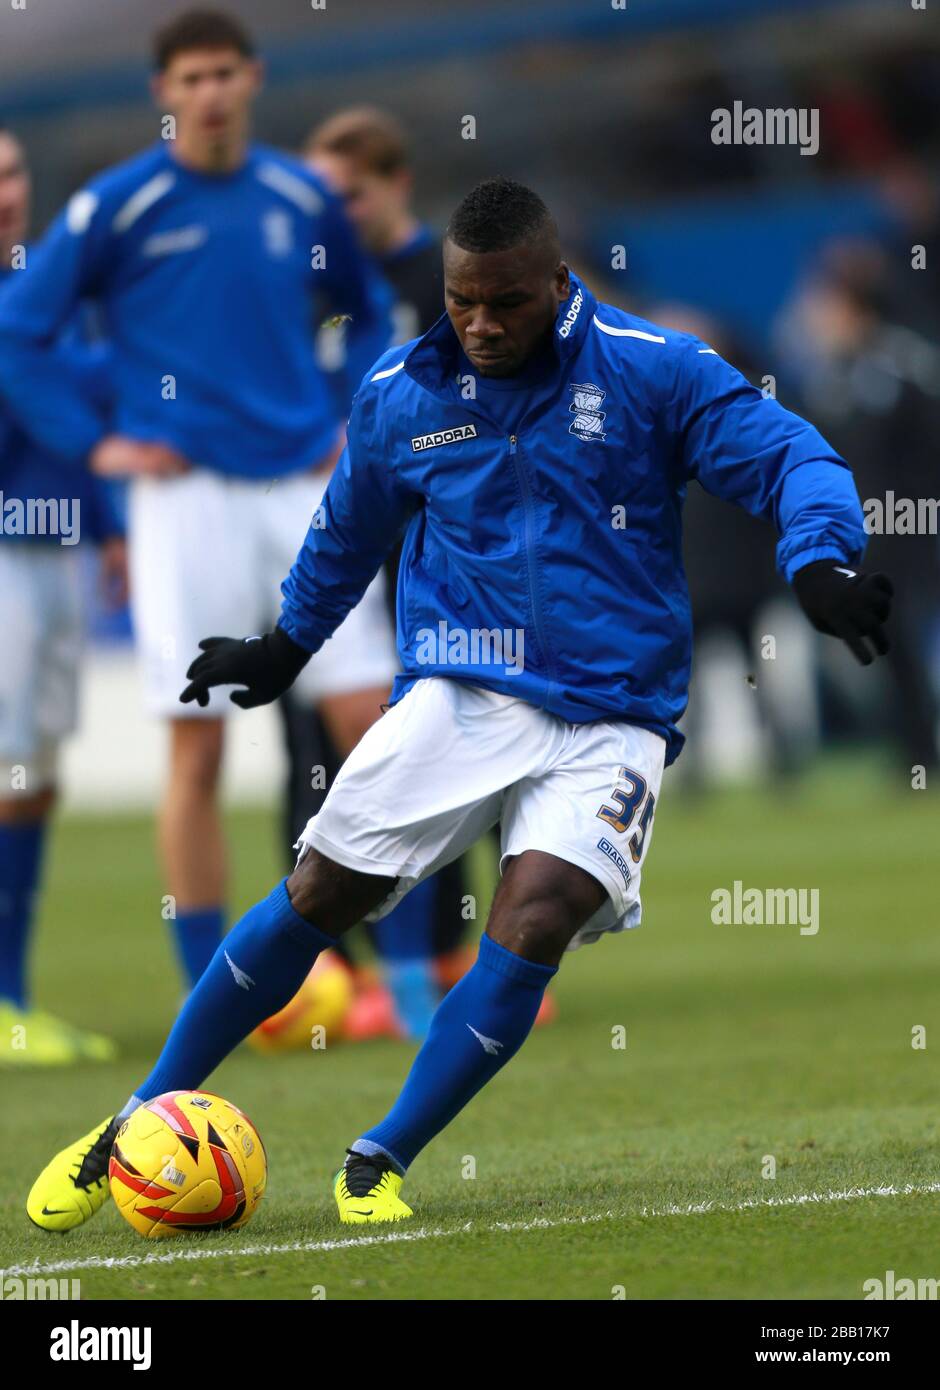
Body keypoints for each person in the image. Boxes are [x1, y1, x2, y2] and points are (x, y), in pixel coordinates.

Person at [27, 177, 892, 1231]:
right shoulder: (402, 390)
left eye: (505, 303)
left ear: (558, 283)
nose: (479, 324)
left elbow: (792, 454)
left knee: (535, 916)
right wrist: (281, 646)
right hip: (462, 687)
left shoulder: (653, 368)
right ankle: (125, 1124)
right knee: (319, 892)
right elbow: (345, 532)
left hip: (614, 710)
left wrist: (817, 562)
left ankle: (376, 1158)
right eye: (461, 301)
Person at [0, 9, 395, 993]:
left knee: (375, 723)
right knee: (197, 755)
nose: (210, 92)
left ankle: (412, 972)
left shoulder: (298, 194)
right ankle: (213, 987)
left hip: (306, 482)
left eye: (225, 72)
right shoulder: (117, 205)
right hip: (184, 503)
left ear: (253, 78)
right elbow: (18, 330)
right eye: (191, 78)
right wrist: (97, 444)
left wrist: (353, 403)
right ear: (163, 93)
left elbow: (367, 306)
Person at [0, 125, 125, 1065]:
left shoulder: (49, 284)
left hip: (59, 550)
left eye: (12, 172)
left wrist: (109, 524)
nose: (4, 191)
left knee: (35, 777)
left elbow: (77, 415)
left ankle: (16, 998)